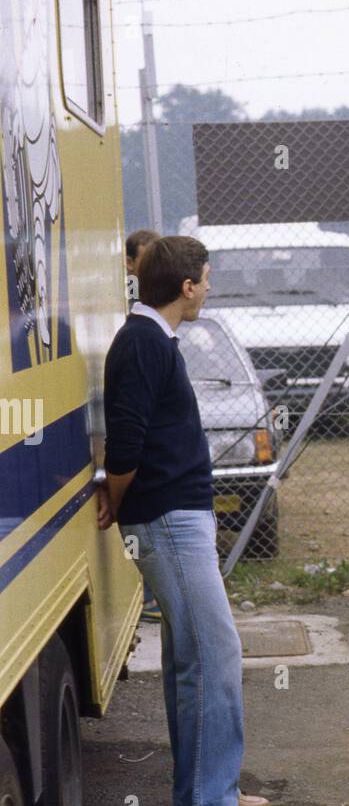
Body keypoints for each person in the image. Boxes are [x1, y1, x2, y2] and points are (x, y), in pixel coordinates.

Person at [98, 236, 271, 806]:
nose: (208, 288)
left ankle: (211, 782)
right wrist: (118, 502)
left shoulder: (151, 338)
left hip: (178, 514)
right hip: (167, 518)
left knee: (188, 654)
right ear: (188, 286)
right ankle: (204, 797)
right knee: (213, 650)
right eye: (206, 278)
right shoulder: (144, 341)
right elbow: (126, 440)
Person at [124, 229, 162, 622]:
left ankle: (151, 593)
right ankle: (148, 595)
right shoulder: (134, 323)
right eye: (146, 260)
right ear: (129, 264)